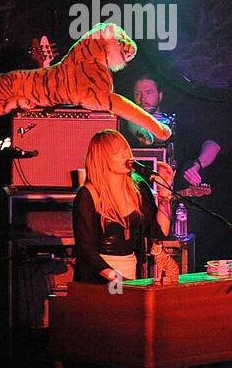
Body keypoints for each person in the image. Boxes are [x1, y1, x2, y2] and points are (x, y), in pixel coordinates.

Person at [72, 129, 173, 285]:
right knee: (116, 306)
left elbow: (160, 232)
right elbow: (87, 250)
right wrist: (119, 281)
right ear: (102, 159)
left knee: (131, 307)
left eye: (125, 149)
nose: (125, 155)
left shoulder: (138, 188)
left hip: (131, 271)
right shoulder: (88, 195)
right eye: (116, 152)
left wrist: (165, 193)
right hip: (102, 277)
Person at [122, 75, 220, 188]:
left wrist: (196, 165)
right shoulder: (125, 126)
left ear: (160, 95)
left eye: (148, 93)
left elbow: (213, 146)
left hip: (173, 193)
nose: (143, 99)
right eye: (137, 94)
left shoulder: (176, 124)